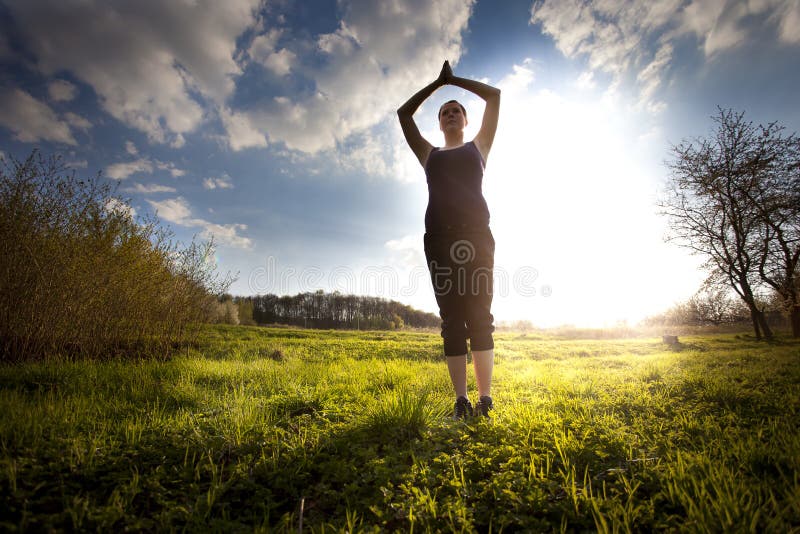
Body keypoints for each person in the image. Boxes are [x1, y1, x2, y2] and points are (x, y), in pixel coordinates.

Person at [397, 61, 500, 419]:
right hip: (439, 241)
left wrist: (454, 81)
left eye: (457, 111)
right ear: (439, 122)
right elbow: (404, 114)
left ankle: (485, 399)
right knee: (452, 320)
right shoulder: (430, 155)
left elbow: (494, 96)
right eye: (445, 112)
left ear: (466, 120)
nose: (451, 114)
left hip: (477, 238)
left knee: (479, 317)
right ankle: (461, 400)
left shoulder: (478, 148)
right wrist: (436, 86)